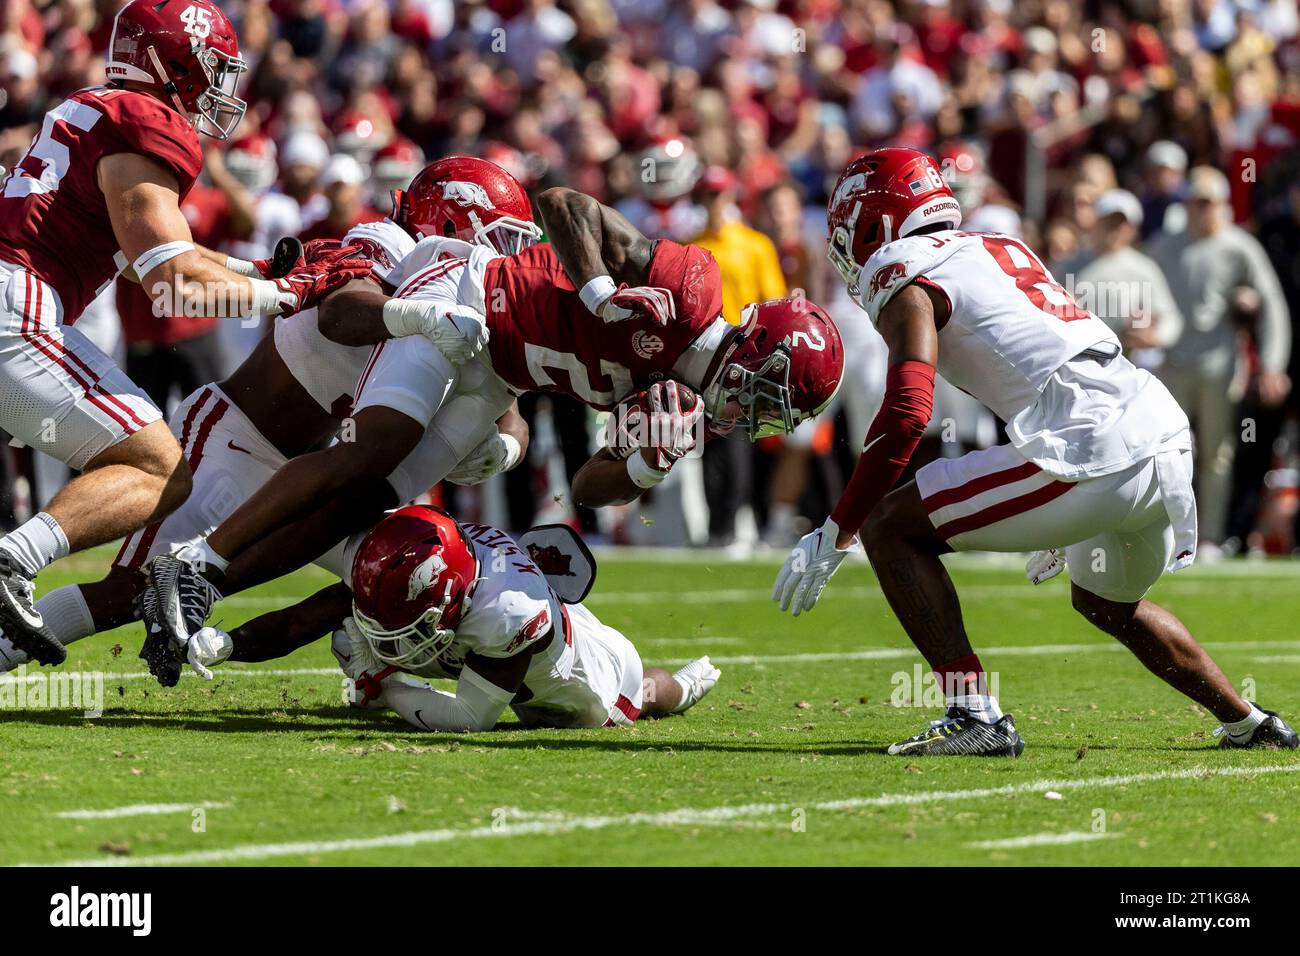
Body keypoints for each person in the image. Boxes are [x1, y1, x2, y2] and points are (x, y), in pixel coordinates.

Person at [138, 185, 844, 661]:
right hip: (468, 293)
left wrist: (643, 467)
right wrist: (600, 291)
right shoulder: (690, 290)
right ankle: (195, 560)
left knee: (371, 505)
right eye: (771, 394)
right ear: (759, 348)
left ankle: (202, 584)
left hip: (498, 372)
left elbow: (588, 487)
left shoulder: (677, 405)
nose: (757, 414)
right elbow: (564, 204)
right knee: (373, 447)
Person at [772, 147, 1296, 756]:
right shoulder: (1000, 245)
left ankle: (975, 713)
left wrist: (839, 527)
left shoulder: (905, 266)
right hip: (1159, 430)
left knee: (890, 527)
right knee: (1104, 599)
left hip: (1092, 443)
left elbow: (910, 409)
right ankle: (1249, 721)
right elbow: (1044, 358)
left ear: (880, 219)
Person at [0, 156, 532, 681]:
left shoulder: (471, 292)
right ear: (449, 221)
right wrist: (413, 315)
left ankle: (375, 670)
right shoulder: (388, 246)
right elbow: (340, 312)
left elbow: (509, 398)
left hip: (317, 471)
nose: (509, 256)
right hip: (236, 439)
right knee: (129, 591)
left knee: (400, 566)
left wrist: (504, 445)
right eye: (501, 237)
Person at [0, 0, 367, 666]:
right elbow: (173, 281)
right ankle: (11, 560)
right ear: (173, 61)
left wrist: (254, 269)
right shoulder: (148, 121)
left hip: (18, 295)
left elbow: (145, 263)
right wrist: (284, 294)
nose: (222, 87)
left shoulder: (92, 106)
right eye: (214, 70)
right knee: (157, 466)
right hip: (16, 303)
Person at [187, 505, 722, 731]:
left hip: (585, 679)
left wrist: (385, 683)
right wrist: (227, 642)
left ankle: (683, 683)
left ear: (446, 601)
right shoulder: (415, 553)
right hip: (516, 616)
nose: (385, 634)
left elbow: (472, 718)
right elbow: (307, 617)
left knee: (643, 695)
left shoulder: (507, 617)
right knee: (357, 622)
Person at [1151, 166, 1292, 552]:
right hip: (1173, 365)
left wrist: (1272, 364)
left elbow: (1273, 309)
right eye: (1195, 202)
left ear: (1223, 205)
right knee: (1165, 453)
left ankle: (1210, 537)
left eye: (1209, 203)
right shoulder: (1165, 247)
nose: (1202, 210)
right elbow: (1143, 299)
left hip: (1220, 365)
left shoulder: (1240, 247)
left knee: (1217, 454)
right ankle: (1164, 536)